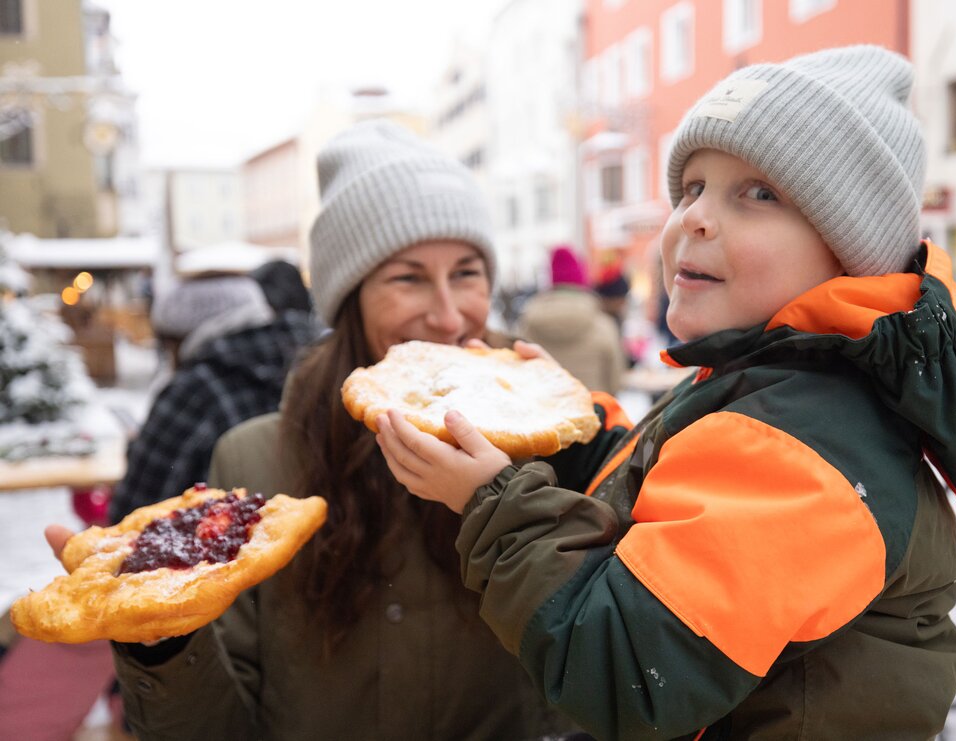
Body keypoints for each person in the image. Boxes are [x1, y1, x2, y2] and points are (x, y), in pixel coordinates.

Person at [375, 46, 956, 739]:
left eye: (759, 193)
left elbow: (624, 668)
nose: (695, 217)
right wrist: (572, 432)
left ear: (848, 248)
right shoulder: (772, 391)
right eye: (691, 187)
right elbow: (672, 501)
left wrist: (493, 504)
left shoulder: (812, 445)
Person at [57, 120, 575, 740]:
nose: (447, 313)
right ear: (348, 299)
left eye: (466, 273)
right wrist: (161, 635)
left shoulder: (547, 456)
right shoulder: (258, 462)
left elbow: (585, 681)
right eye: (407, 277)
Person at [107, 274, 321, 523]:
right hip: (317, 542)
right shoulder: (316, 364)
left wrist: (137, 446)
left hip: (221, 554)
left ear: (182, 337)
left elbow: (135, 511)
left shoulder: (193, 391)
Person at [515, 245, 626, 395]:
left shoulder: (526, 325)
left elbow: (520, 378)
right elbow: (616, 382)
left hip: (545, 414)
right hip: (595, 412)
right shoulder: (603, 325)